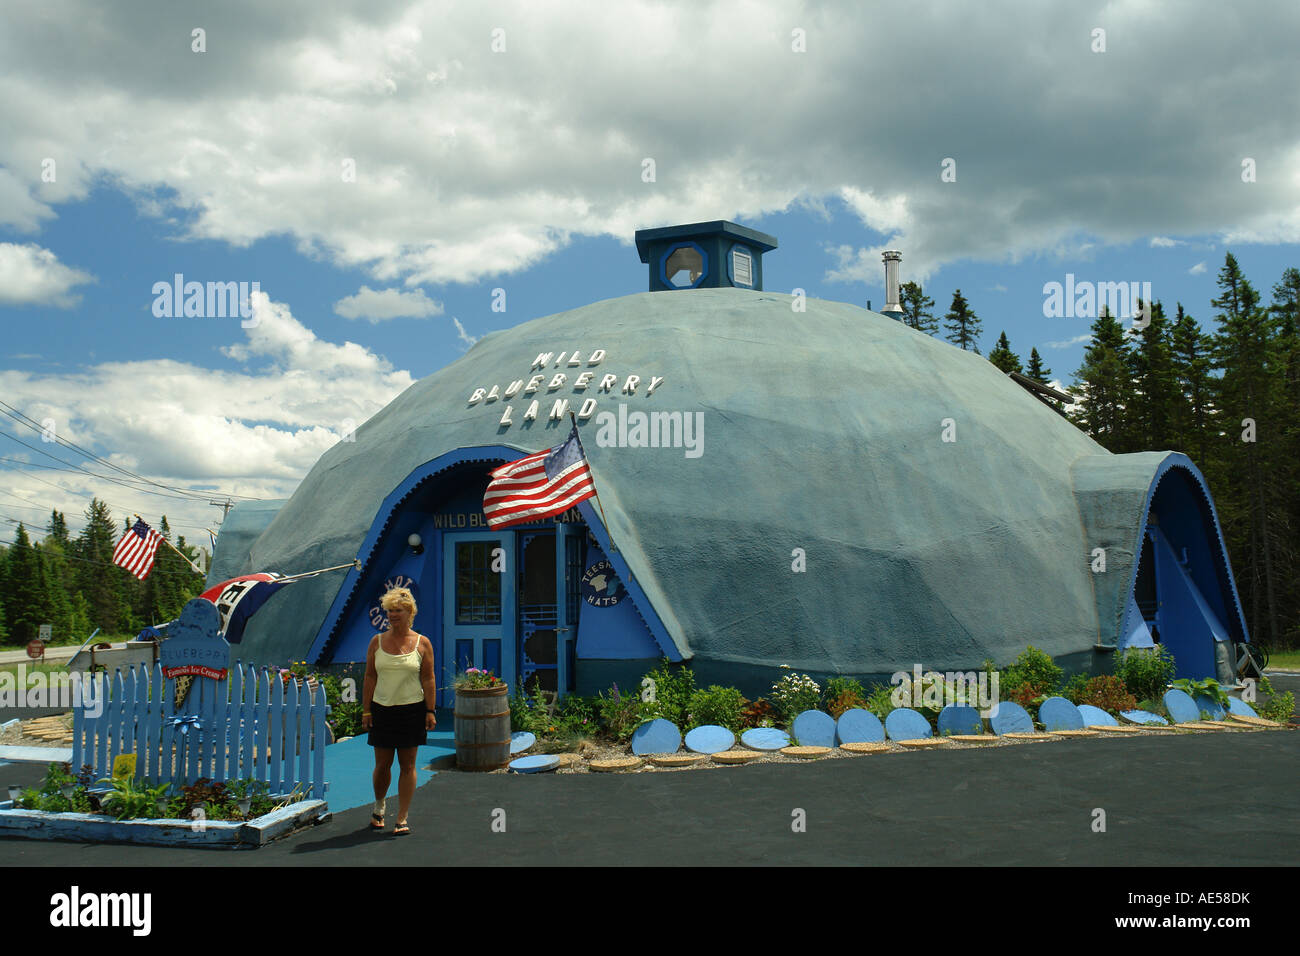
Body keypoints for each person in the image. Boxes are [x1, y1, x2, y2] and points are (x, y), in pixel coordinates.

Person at [362, 586, 436, 835]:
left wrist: (430, 710)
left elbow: (428, 679)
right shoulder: (377, 642)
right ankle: (380, 806)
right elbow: (370, 677)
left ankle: (402, 816)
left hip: (412, 711)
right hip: (382, 711)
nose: (393, 615)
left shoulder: (422, 643)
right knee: (383, 765)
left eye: (398, 611)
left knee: (408, 765)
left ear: (410, 613)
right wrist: (366, 710)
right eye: (390, 611)